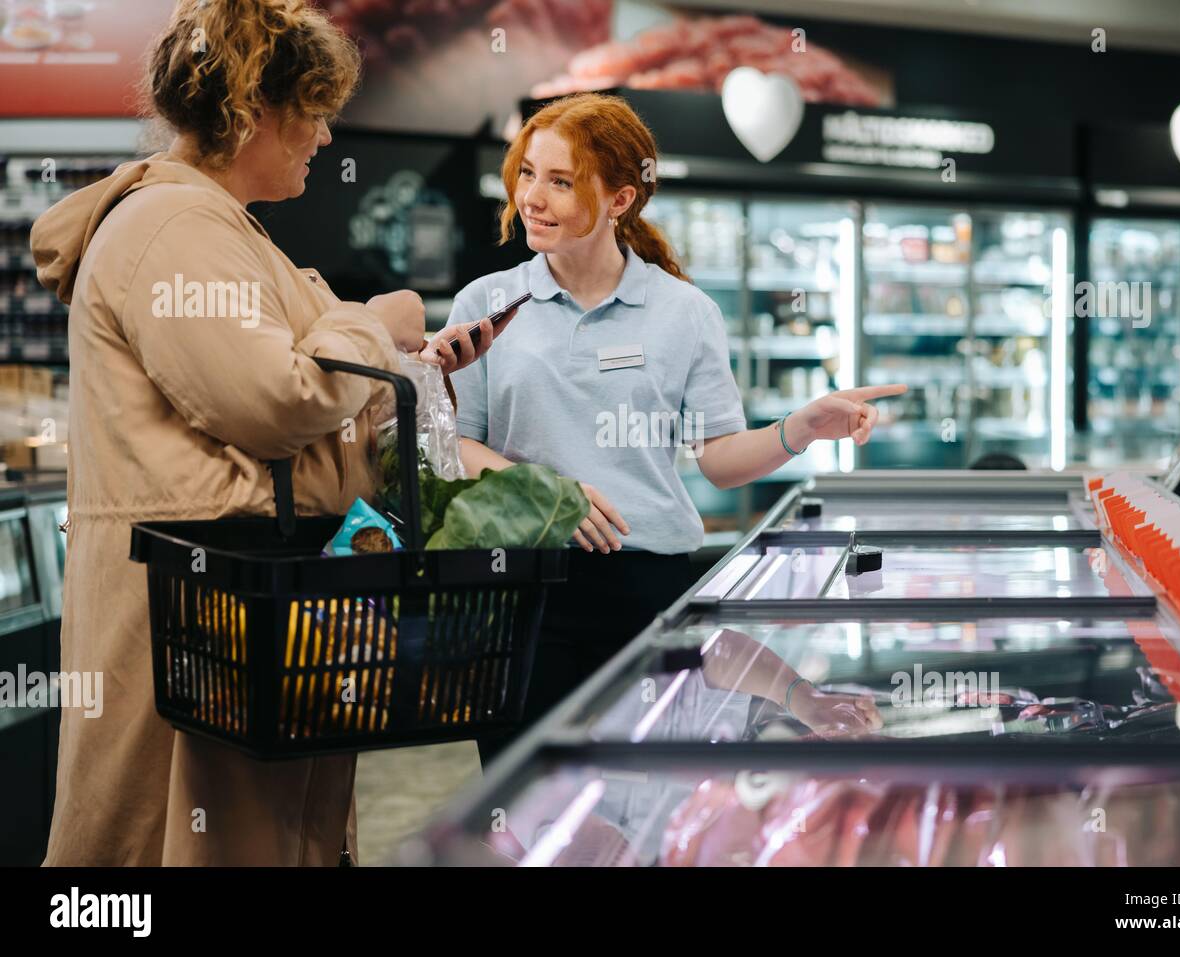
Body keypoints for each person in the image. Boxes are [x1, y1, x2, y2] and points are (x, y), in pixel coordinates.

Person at [30, 0, 511, 866]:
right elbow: (276, 402)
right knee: (176, 839)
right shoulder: (172, 229)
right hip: (194, 616)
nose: (326, 138)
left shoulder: (226, 231)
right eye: (315, 112)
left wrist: (410, 361)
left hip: (243, 616)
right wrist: (372, 321)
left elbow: (304, 390)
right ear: (253, 108)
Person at [450, 93, 904, 764]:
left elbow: (716, 457)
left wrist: (800, 427)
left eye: (560, 180)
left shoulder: (683, 311)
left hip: (651, 598)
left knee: (654, 806)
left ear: (619, 199)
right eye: (526, 174)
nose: (531, 198)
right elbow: (450, 445)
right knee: (531, 817)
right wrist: (539, 489)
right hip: (523, 593)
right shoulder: (485, 303)